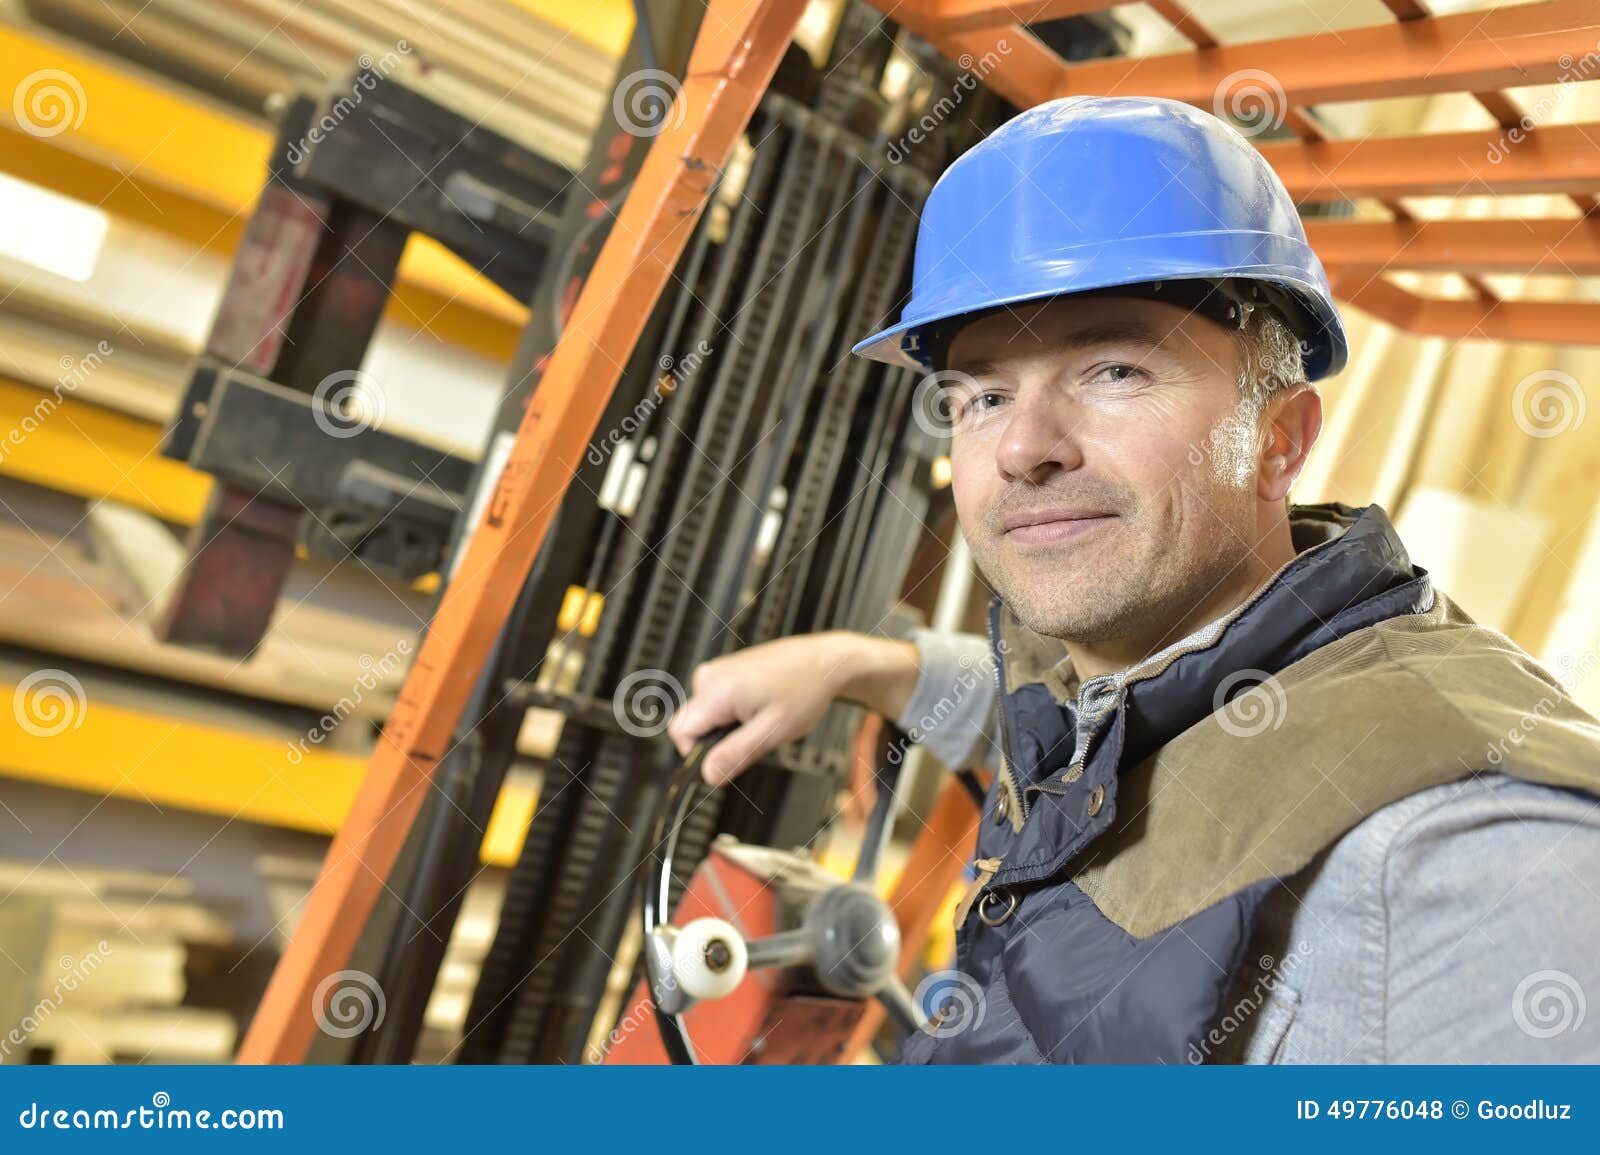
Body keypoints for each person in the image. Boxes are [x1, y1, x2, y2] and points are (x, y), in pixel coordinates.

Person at [668, 96, 1600, 1063]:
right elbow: (1084, 732)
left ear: (1277, 440)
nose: (1023, 448)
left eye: (1113, 370)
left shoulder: (1467, 858)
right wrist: (858, 664)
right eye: (983, 395)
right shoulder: (1177, 670)